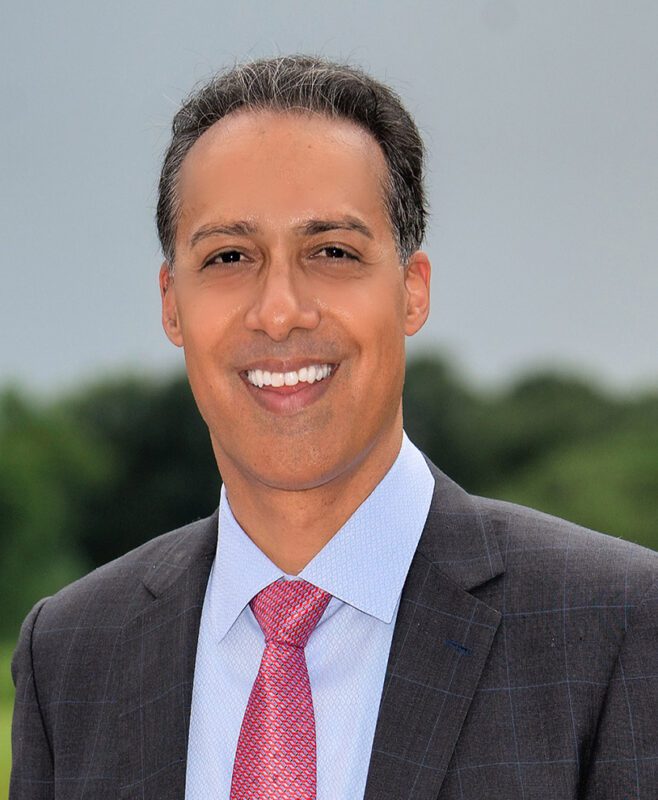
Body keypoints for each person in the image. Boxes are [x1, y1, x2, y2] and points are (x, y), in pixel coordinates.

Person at [10, 55, 657, 800]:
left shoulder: (616, 626)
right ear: (171, 304)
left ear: (411, 291)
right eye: (229, 256)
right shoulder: (69, 656)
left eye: (332, 252)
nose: (279, 311)